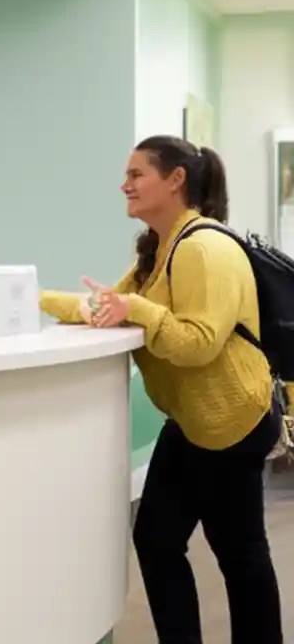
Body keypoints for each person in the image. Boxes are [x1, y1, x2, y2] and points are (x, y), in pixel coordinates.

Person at [39, 136, 284, 643]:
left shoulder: (205, 247)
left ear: (175, 180)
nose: (123, 185)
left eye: (136, 174)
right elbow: (110, 302)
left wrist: (140, 312)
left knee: (238, 553)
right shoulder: (160, 248)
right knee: (158, 540)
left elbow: (198, 343)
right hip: (194, 421)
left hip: (232, 420)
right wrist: (32, 298)